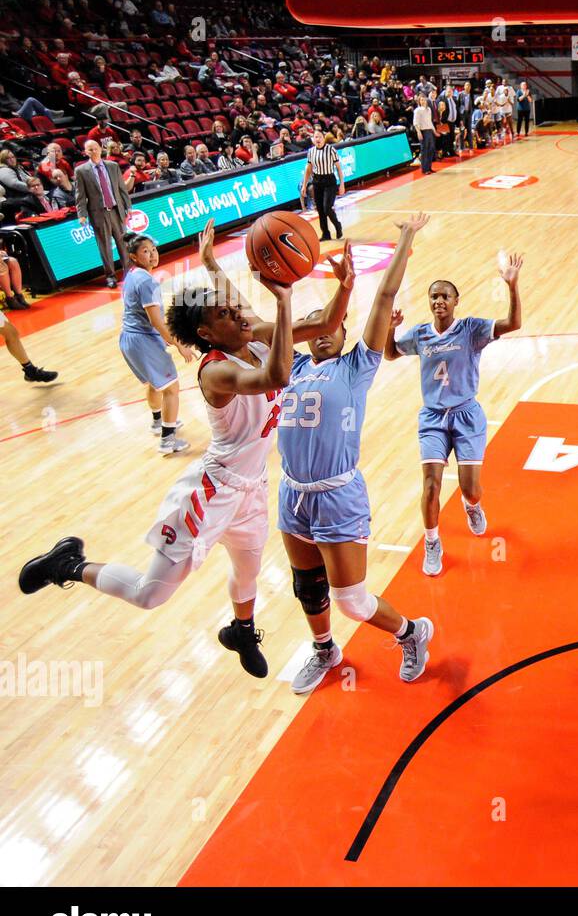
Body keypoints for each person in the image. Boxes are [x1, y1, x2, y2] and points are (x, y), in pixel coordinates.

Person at [18, 220, 354, 679]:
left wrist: (346, 285)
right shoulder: (215, 372)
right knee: (149, 594)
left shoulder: (250, 332)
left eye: (234, 307)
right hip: (212, 490)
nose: (237, 312)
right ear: (207, 334)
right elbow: (276, 377)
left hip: (253, 486)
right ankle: (70, 564)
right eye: (225, 314)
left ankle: (241, 629)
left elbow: (325, 322)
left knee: (247, 570)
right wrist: (282, 295)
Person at [280, 216, 438, 693]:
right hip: (292, 494)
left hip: (337, 494)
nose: (324, 334)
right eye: (316, 328)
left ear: (345, 331)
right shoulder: (289, 366)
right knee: (307, 588)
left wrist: (406, 238)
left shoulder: (356, 367)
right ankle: (326, 651)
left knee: (351, 600)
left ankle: (413, 633)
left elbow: (385, 298)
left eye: (334, 326)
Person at [385, 250, 524, 577]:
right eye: (433, 296)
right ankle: (433, 543)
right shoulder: (420, 335)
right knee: (431, 485)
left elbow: (514, 323)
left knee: (470, 488)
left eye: (444, 296)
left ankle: (472, 506)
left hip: (466, 416)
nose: (438, 301)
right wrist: (391, 329)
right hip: (432, 418)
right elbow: (390, 353)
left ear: (456, 300)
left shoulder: (472, 329)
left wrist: (512, 286)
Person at [118, 233, 196, 453]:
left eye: (153, 249)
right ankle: (168, 440)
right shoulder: (146, 281)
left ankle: (156, 420)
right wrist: (180, 344)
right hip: (142, 340)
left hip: (129, 339)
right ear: (133, 256)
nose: (152, 254)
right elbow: (156, 321)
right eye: (145, 251)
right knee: (172, 388)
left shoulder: (132, 274)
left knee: (156, 383)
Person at [73, 138, 131, 288]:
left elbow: (121, 189)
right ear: (85, 152)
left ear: (101, 148)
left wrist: (128, 206)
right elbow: (80, 195)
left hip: (116, 210)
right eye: (90, 149)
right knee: (104, 246)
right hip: (99, 213)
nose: (93, 151)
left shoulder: (113, 166)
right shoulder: (81, 171)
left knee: (123, 243)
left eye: (95, 148)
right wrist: (82, 214)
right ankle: (110, 276)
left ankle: (128, 271)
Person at [301, 129, 345, 241]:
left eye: (320, 137)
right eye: (316, 137)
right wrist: (304, 185)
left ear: (323, 138)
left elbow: (339, 168)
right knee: (320, 209)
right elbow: (308, 169)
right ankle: (326, 234)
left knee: (327, 208)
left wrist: (342, 185)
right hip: (317, 181)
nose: (318, 139)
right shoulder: (311, 151)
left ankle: (337, 225)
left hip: (329, 181)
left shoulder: (331, 149)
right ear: (313, 139)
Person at [413, 93, 435, 174]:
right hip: (423, 131)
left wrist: (434, 131)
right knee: (424, 150)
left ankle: (429, 167)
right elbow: (415, 122)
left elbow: (430, 122)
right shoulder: (417, 110)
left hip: (429, 130)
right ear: (419, 101)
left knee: (431, 149)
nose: (423, 101)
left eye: (424, 99)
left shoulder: (429, 109)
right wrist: (418, 132)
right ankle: (424, 169)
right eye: (421, 100)